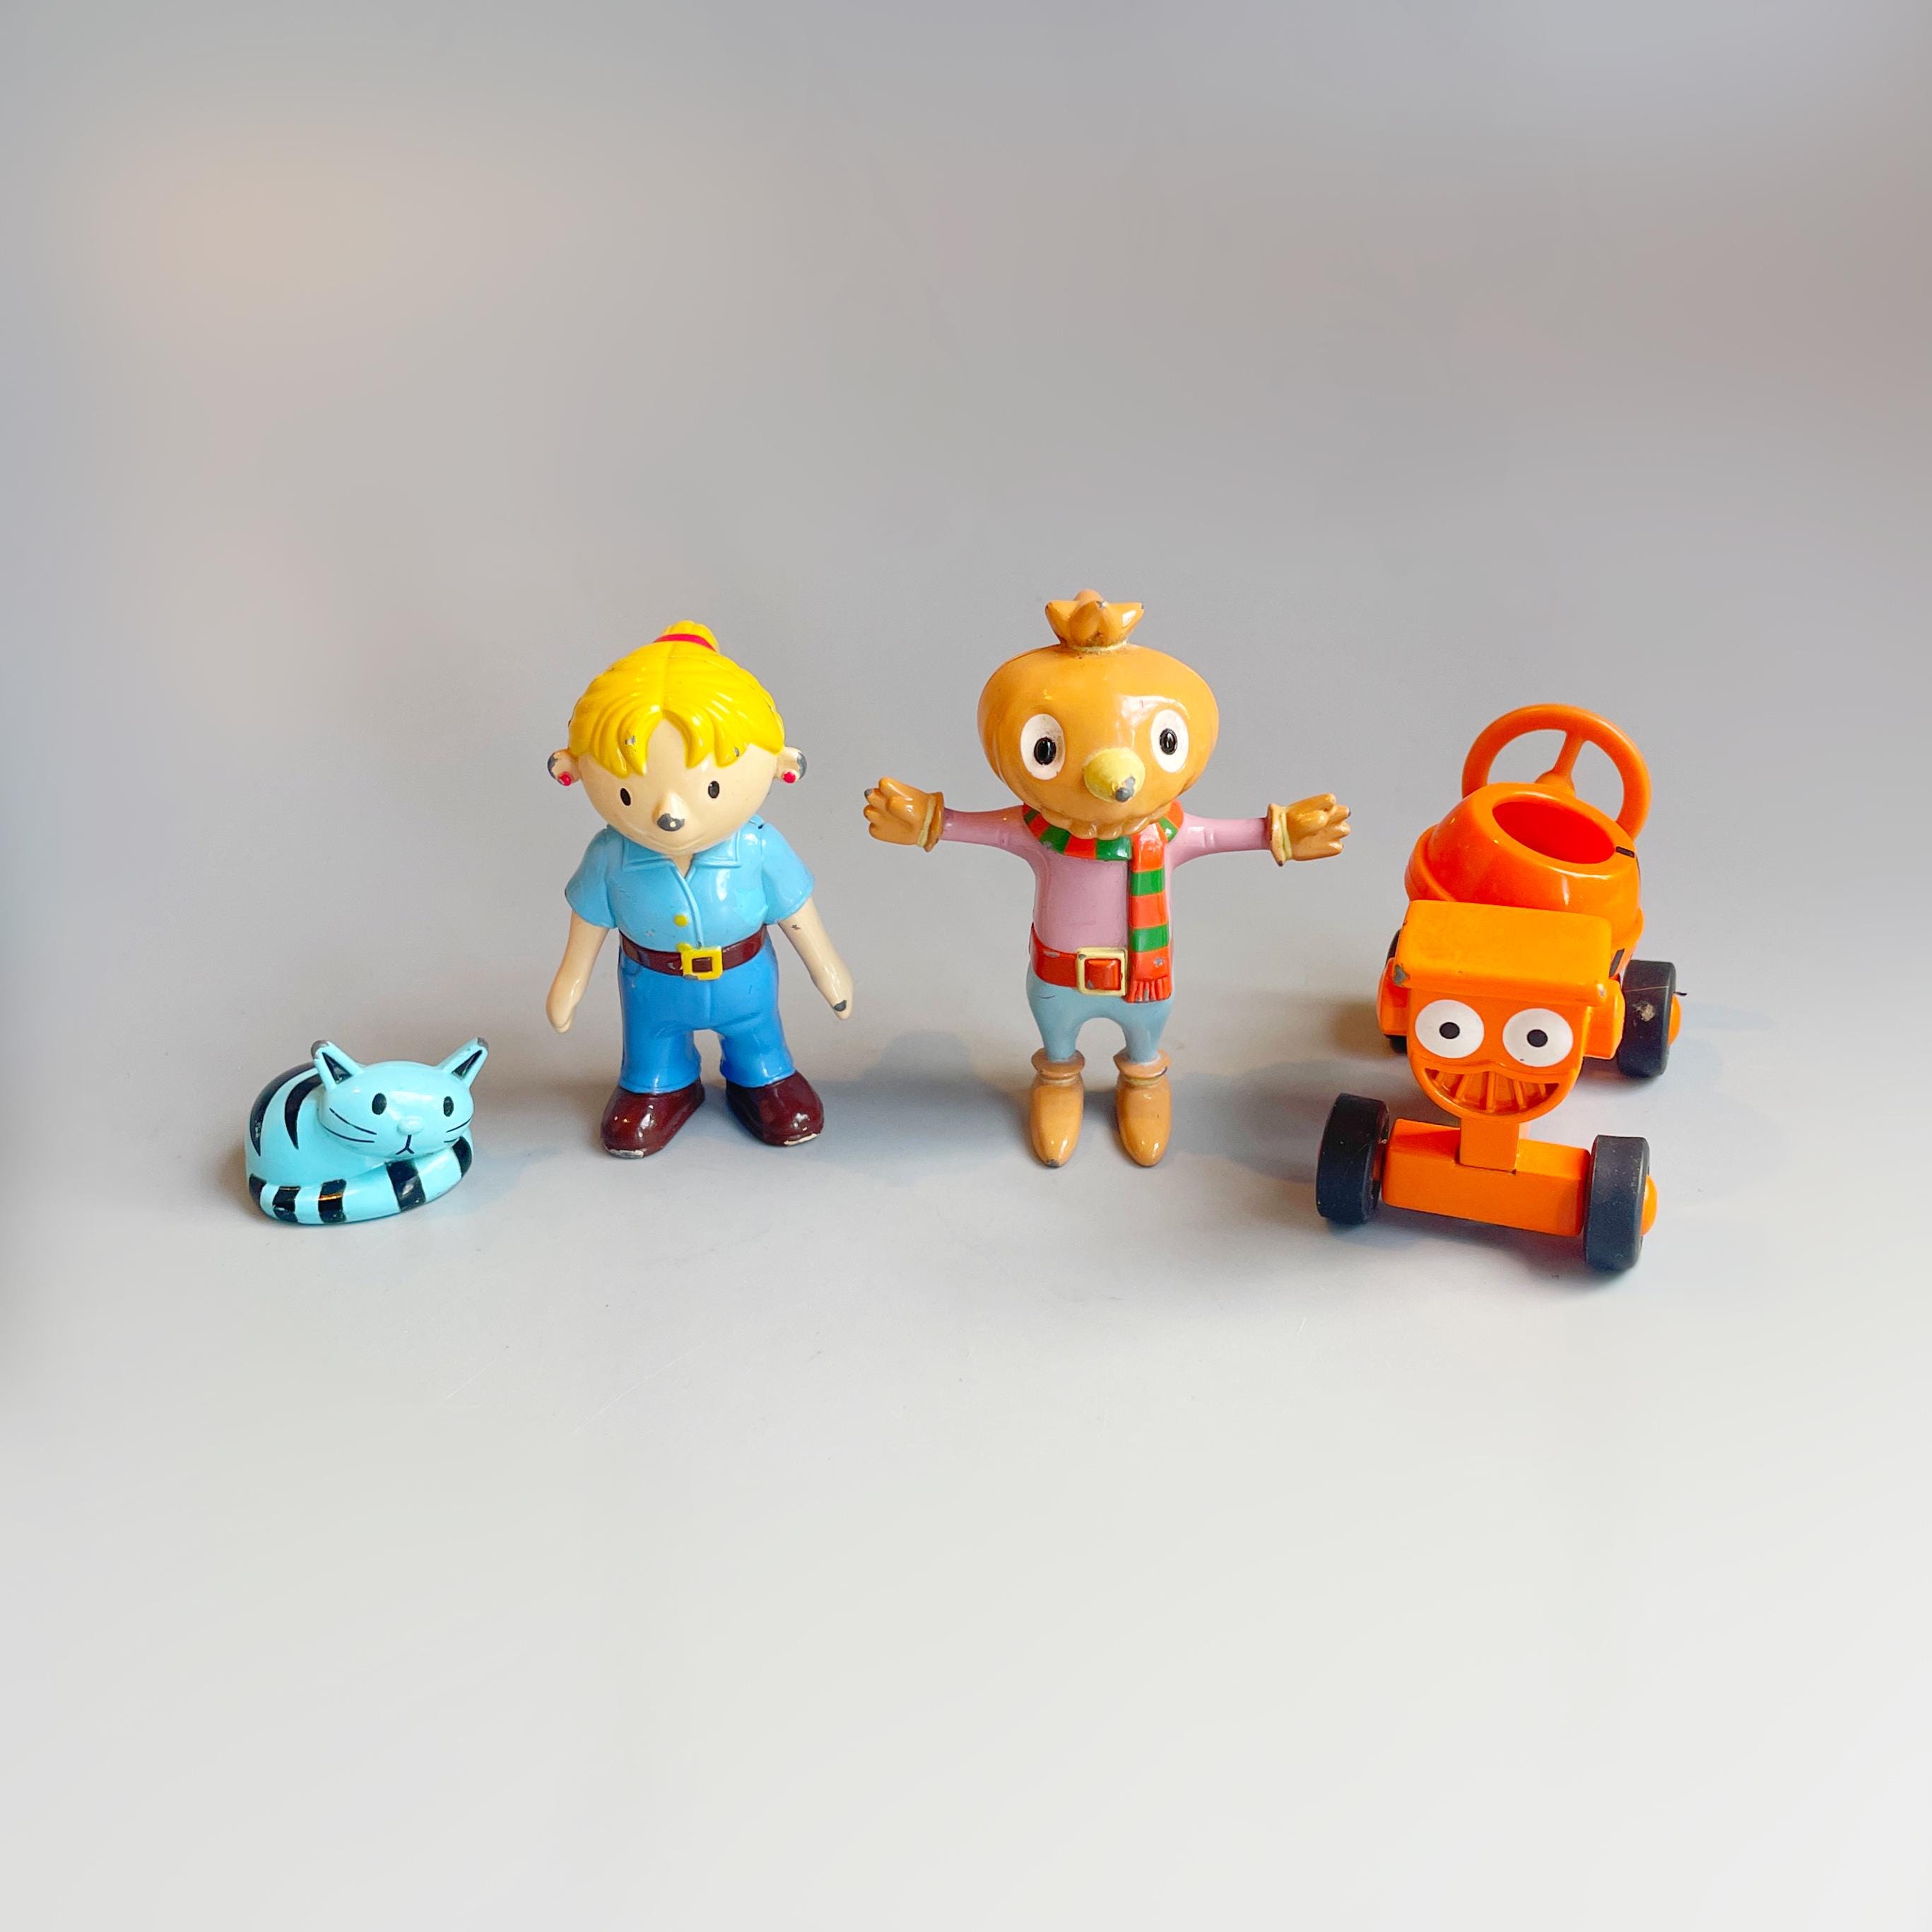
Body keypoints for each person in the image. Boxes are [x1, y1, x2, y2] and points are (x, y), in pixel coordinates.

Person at [547, 623, 853, 1156]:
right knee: (650, 1047)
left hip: (745, 977)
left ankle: (762, 1074)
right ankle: (660, 1083)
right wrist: (569, 982)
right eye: (629, 793)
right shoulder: (611, 854)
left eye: (710, 788)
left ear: (782, 766)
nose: (669, 816)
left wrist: (828, 969)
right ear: (569, 771)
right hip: (652, 985)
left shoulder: (757, 845)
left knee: (759, 1035)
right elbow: (589, 923)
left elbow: (797, 912)